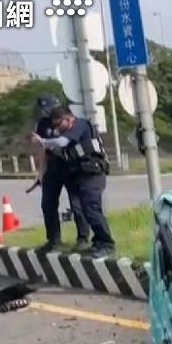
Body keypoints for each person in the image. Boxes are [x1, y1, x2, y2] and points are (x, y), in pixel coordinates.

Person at [31, 106, 115, 258]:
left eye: (58, 124)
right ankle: (98, 243)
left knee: (91, 209)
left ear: (68, 119)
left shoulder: (80, 125)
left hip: (92, 173)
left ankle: (106, 244)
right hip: (81, 173)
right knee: (86, 208)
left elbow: (62, 142)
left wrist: (42, 141)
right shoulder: (68, 129)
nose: (57, 128)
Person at [31, 94, 89, 252]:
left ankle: (83, 238)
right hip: (53, 165)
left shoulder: (69, 120)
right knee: (48, 204)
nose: (47, 113)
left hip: (71, 165)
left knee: (77, 204)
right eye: (44, 110)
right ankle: (53, 240)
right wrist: (40, 174)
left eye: (49, 109)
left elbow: (66, 142)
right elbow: (43, 150)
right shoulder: (43, 124)